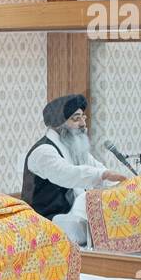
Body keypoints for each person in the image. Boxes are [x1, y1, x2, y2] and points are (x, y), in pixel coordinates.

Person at [21, 93, 127, 246]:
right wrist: (103, 175)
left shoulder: (73, 147)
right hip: (45, 224)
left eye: (83, 117)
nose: (83, 124)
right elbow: (67, 174)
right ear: (58, 124)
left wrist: (124, 187)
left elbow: (98, 170)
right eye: (76, 119)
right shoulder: (43, 151)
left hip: (71, 221)